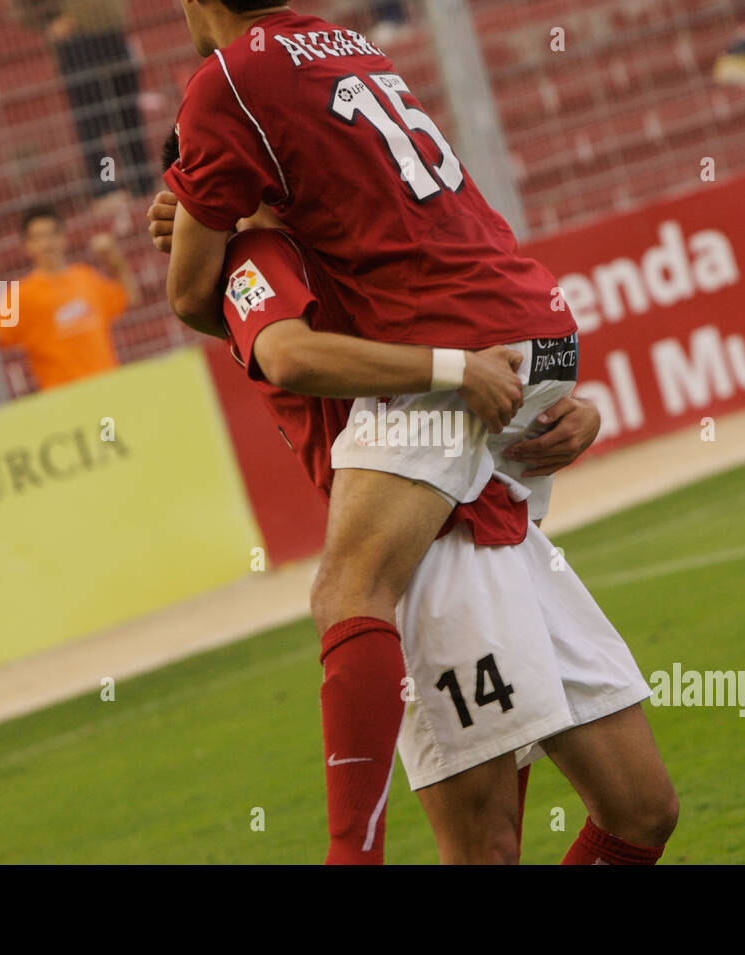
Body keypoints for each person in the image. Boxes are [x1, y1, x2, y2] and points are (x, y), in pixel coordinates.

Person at [154, 158, 677, 861]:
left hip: (500, 522)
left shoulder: (363, 248)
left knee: (642, 811)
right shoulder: (260, 256)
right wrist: (454, 369)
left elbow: (477, 353)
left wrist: (568, 413)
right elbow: (290, 356)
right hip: (424, 548)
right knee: (488, 848)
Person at [159, 0, 582, 864]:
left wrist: (455, 371)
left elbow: (272, 346)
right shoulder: (345, 55)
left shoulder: (235, 109)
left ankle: (350, 855)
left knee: (347, 591)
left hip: (442, 439)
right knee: (631, 810)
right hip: (521, 347)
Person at [8, 0, 153, 208]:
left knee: (127, 112)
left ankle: (142, 182)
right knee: (91, 121)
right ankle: (105, 189)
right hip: (77, 40)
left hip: (113, 32)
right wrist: (47, 25)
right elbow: (18, 7)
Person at [0, 205, 135, 390]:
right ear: (27, 246)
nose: (47, 243)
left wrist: (113, 259)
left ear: (63, 238)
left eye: (52, 234)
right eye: (38, 237)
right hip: (63, 398)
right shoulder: (22, 295)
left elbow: (129, 297)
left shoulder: (86, 277)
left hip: (108, 386)